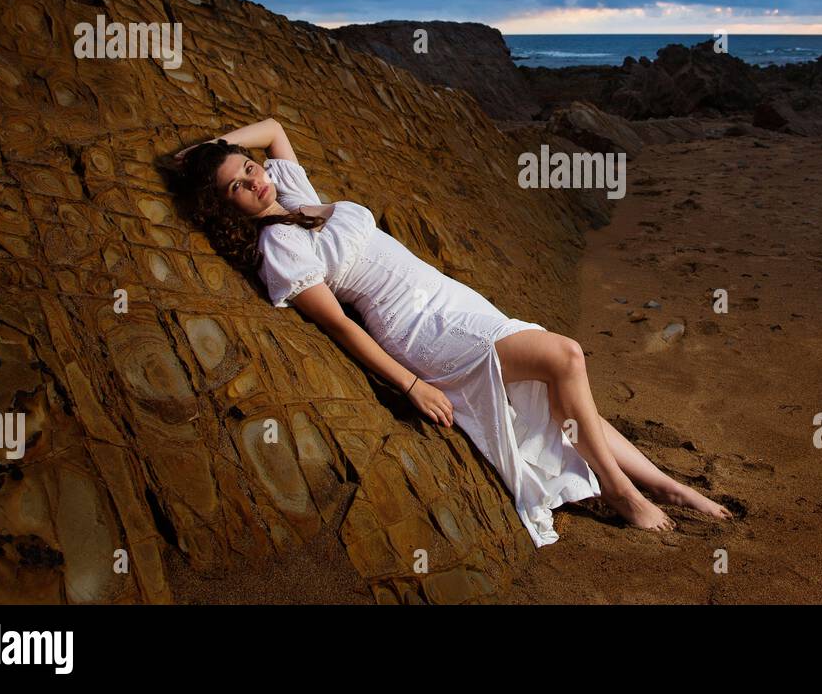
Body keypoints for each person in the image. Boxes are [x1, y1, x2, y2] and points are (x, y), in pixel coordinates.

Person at [174, 117, 732, 546]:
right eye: (236, 189)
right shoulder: (280, 247)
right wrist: (410, 386)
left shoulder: (291, 191)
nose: (254, 182)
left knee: (559, 397)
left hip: (450, 298)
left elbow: (272, 129)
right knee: (565, 357)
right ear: (227, 210)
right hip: (416, 327)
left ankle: (667, 485)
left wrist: (202, 153)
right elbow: (340, 324)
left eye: (249, 169)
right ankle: (619, 491)